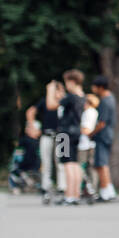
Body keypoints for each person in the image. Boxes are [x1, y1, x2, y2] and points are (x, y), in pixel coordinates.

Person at [25, 81, 63, 204]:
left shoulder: (64, 101)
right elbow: (30, 111)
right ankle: (45, 186)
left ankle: (63, 187)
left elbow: (52, 105)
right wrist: (32, 127)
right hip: (46, 134)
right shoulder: (44, 101)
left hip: (62, 135)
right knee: (46, 163)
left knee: (61, 163)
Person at [55, 70, 87, 206]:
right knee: (75, 164)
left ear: (72, 82)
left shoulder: (71, 97)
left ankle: (69, 196)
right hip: (76, 132)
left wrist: (50, 90)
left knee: (67, 164)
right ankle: (75, 195)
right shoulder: (82, 96)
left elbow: (52, 104)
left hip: (64, 133)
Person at [89, 75, 118, 203]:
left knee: (101, 164)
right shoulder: (111, 98)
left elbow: (101, 123)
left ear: (100, 87)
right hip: (108, 135)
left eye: (94, 86)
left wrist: (91, 133)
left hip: (103, 135)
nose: (93, 89)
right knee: (102, 164)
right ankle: (108, 190)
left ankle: (106, 192)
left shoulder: (105, 101)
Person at [79, 93, 100, 201]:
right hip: (92, 144)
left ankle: (88, 188)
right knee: (91, 168)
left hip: (84, 144)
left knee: (80, 167)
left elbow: (85, 129)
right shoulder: (95, 112)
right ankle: (93, 189)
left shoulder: (87, 112)